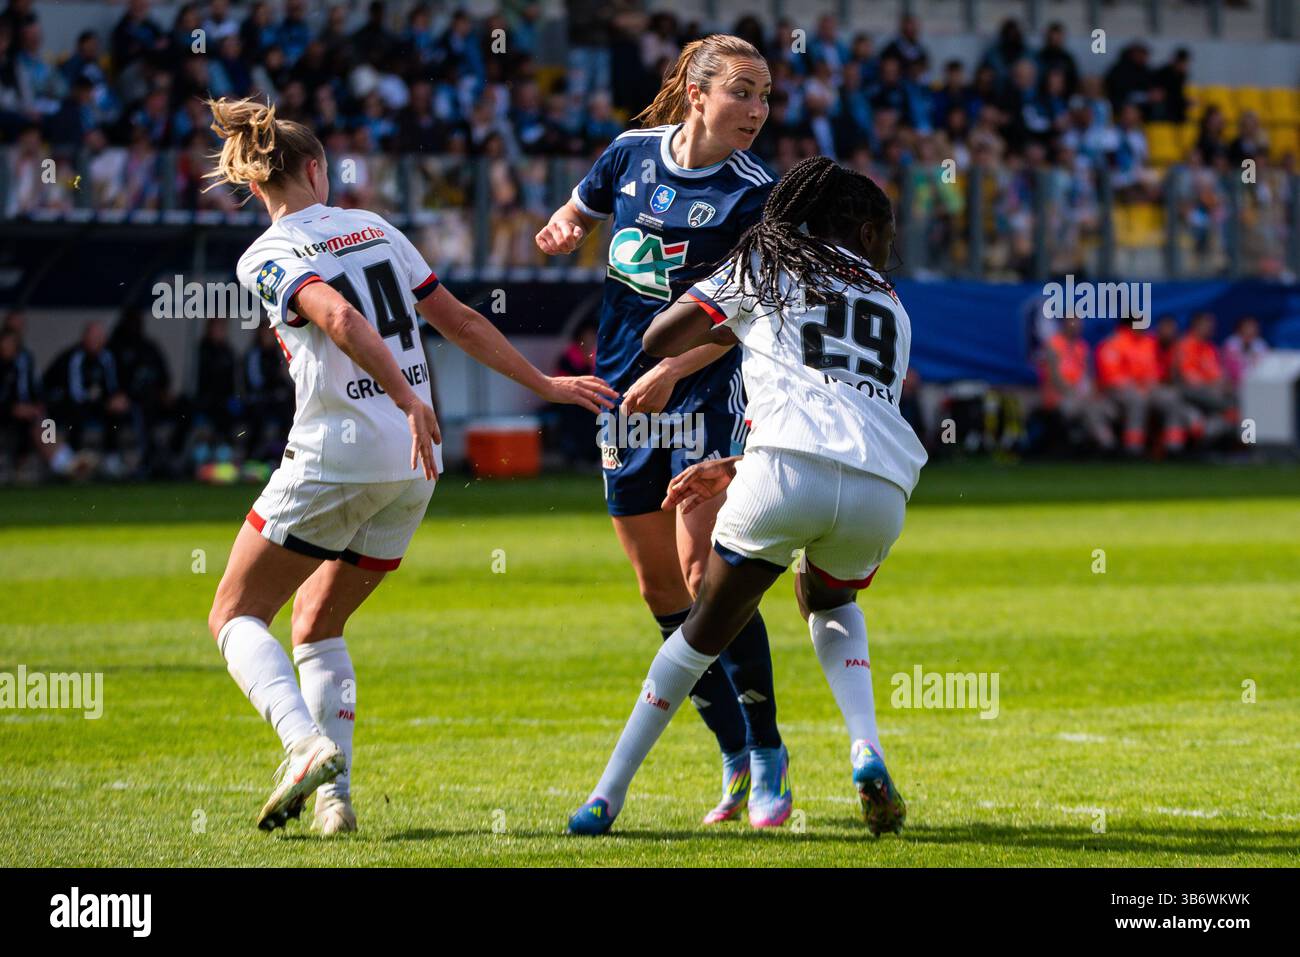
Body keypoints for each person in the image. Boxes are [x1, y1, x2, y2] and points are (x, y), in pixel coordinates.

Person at [202, 97, 615, 835]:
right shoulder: (378, 227)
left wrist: (398, 393)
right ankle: (336, 801)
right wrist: (546, 385)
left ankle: (303, 747)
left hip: (340, 451)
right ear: (317, 170)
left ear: (259, 184)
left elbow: (339, 318)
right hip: (414, 466)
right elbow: (457, 319)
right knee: (318, 620)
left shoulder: (265, 254)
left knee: (233, 612)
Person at [567, 157, 926, 837]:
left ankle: (605, 797)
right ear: (862, 229)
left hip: (787, 475)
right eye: (885, 230)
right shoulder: (889, 298)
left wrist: (730, 298)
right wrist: (736, 461)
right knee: (830, 597)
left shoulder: (767, 259)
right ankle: (865, 746)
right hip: (883, 486)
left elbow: (659, 337)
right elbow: (844, 411)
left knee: (701, 630)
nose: (889, 244)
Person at [535, 34, 792, 827]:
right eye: (742, 92)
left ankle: (767, 747)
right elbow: (575, 210)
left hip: (704, 392)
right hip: (620, 397)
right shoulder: (628, 154)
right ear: (695, 90)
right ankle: (730, 748)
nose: (756, 110)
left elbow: (754, 311)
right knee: (658, 587)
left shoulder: (756, 192)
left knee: (704, 569)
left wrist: (675, 369)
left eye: (765, 96)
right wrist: (563, 228)